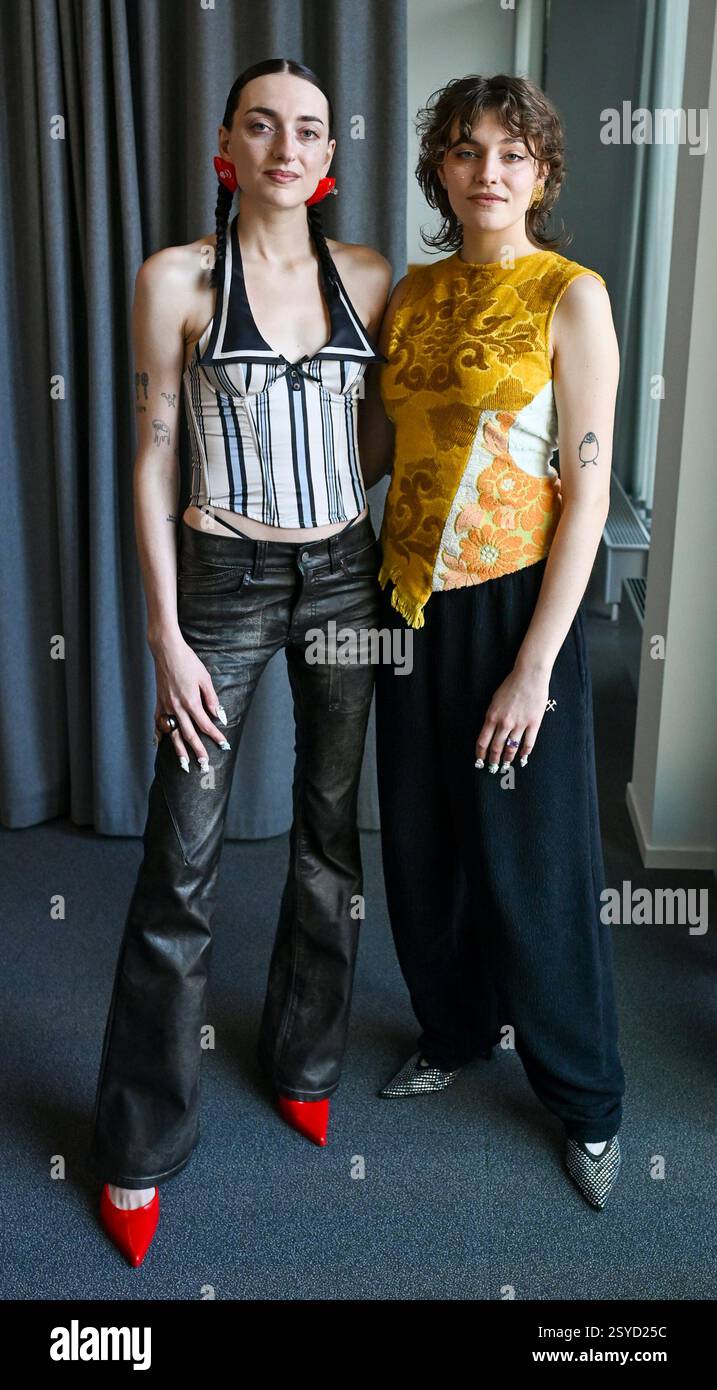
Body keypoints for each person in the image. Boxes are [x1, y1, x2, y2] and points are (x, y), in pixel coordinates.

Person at [87, 57, 392, 1265]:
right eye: (262, 124)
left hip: (346, 574)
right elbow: (154, 458)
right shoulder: (176, 278)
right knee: (184, 860)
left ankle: (306, 1057)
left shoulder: (369, 275)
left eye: (309, 129)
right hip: (220, 582)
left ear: (329, 153)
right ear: (229, 142)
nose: (287, 145)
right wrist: (163, 631)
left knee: (329, 833)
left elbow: (376, 432)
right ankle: (138, 1144)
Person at [360, 73, 626, 1210]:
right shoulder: (410, 295)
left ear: (544, 173)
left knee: (535, 859)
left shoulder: (572, 294)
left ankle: (589, 1099)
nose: (488, 171)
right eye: (466, 151)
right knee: (421, 846)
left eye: (512, 153)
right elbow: (376, 450)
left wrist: (534, 665)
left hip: (519, 605)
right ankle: (455, 1029)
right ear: (440, 170)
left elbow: (592, 495)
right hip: (406, 600)